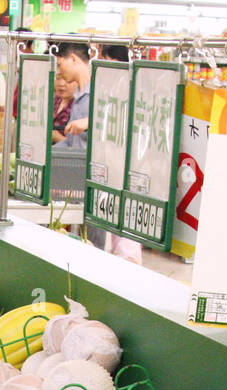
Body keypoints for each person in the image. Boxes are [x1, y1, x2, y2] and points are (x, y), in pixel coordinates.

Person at [55, 43, 143, 266]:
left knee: (97, 238)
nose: (59, 71)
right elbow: (74, 143)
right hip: (79, 178)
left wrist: (89, 123)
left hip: (100, 178)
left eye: (60, 63)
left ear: (73, 59)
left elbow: (119, 127)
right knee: (87, 237)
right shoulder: (80, 95)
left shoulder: (102, 91)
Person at [51, 73, 76, 145]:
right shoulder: (55, 100)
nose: (61, 84)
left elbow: (79, 145)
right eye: (58, 78)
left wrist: (58, 138)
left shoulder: (80, 105)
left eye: (67, 80)